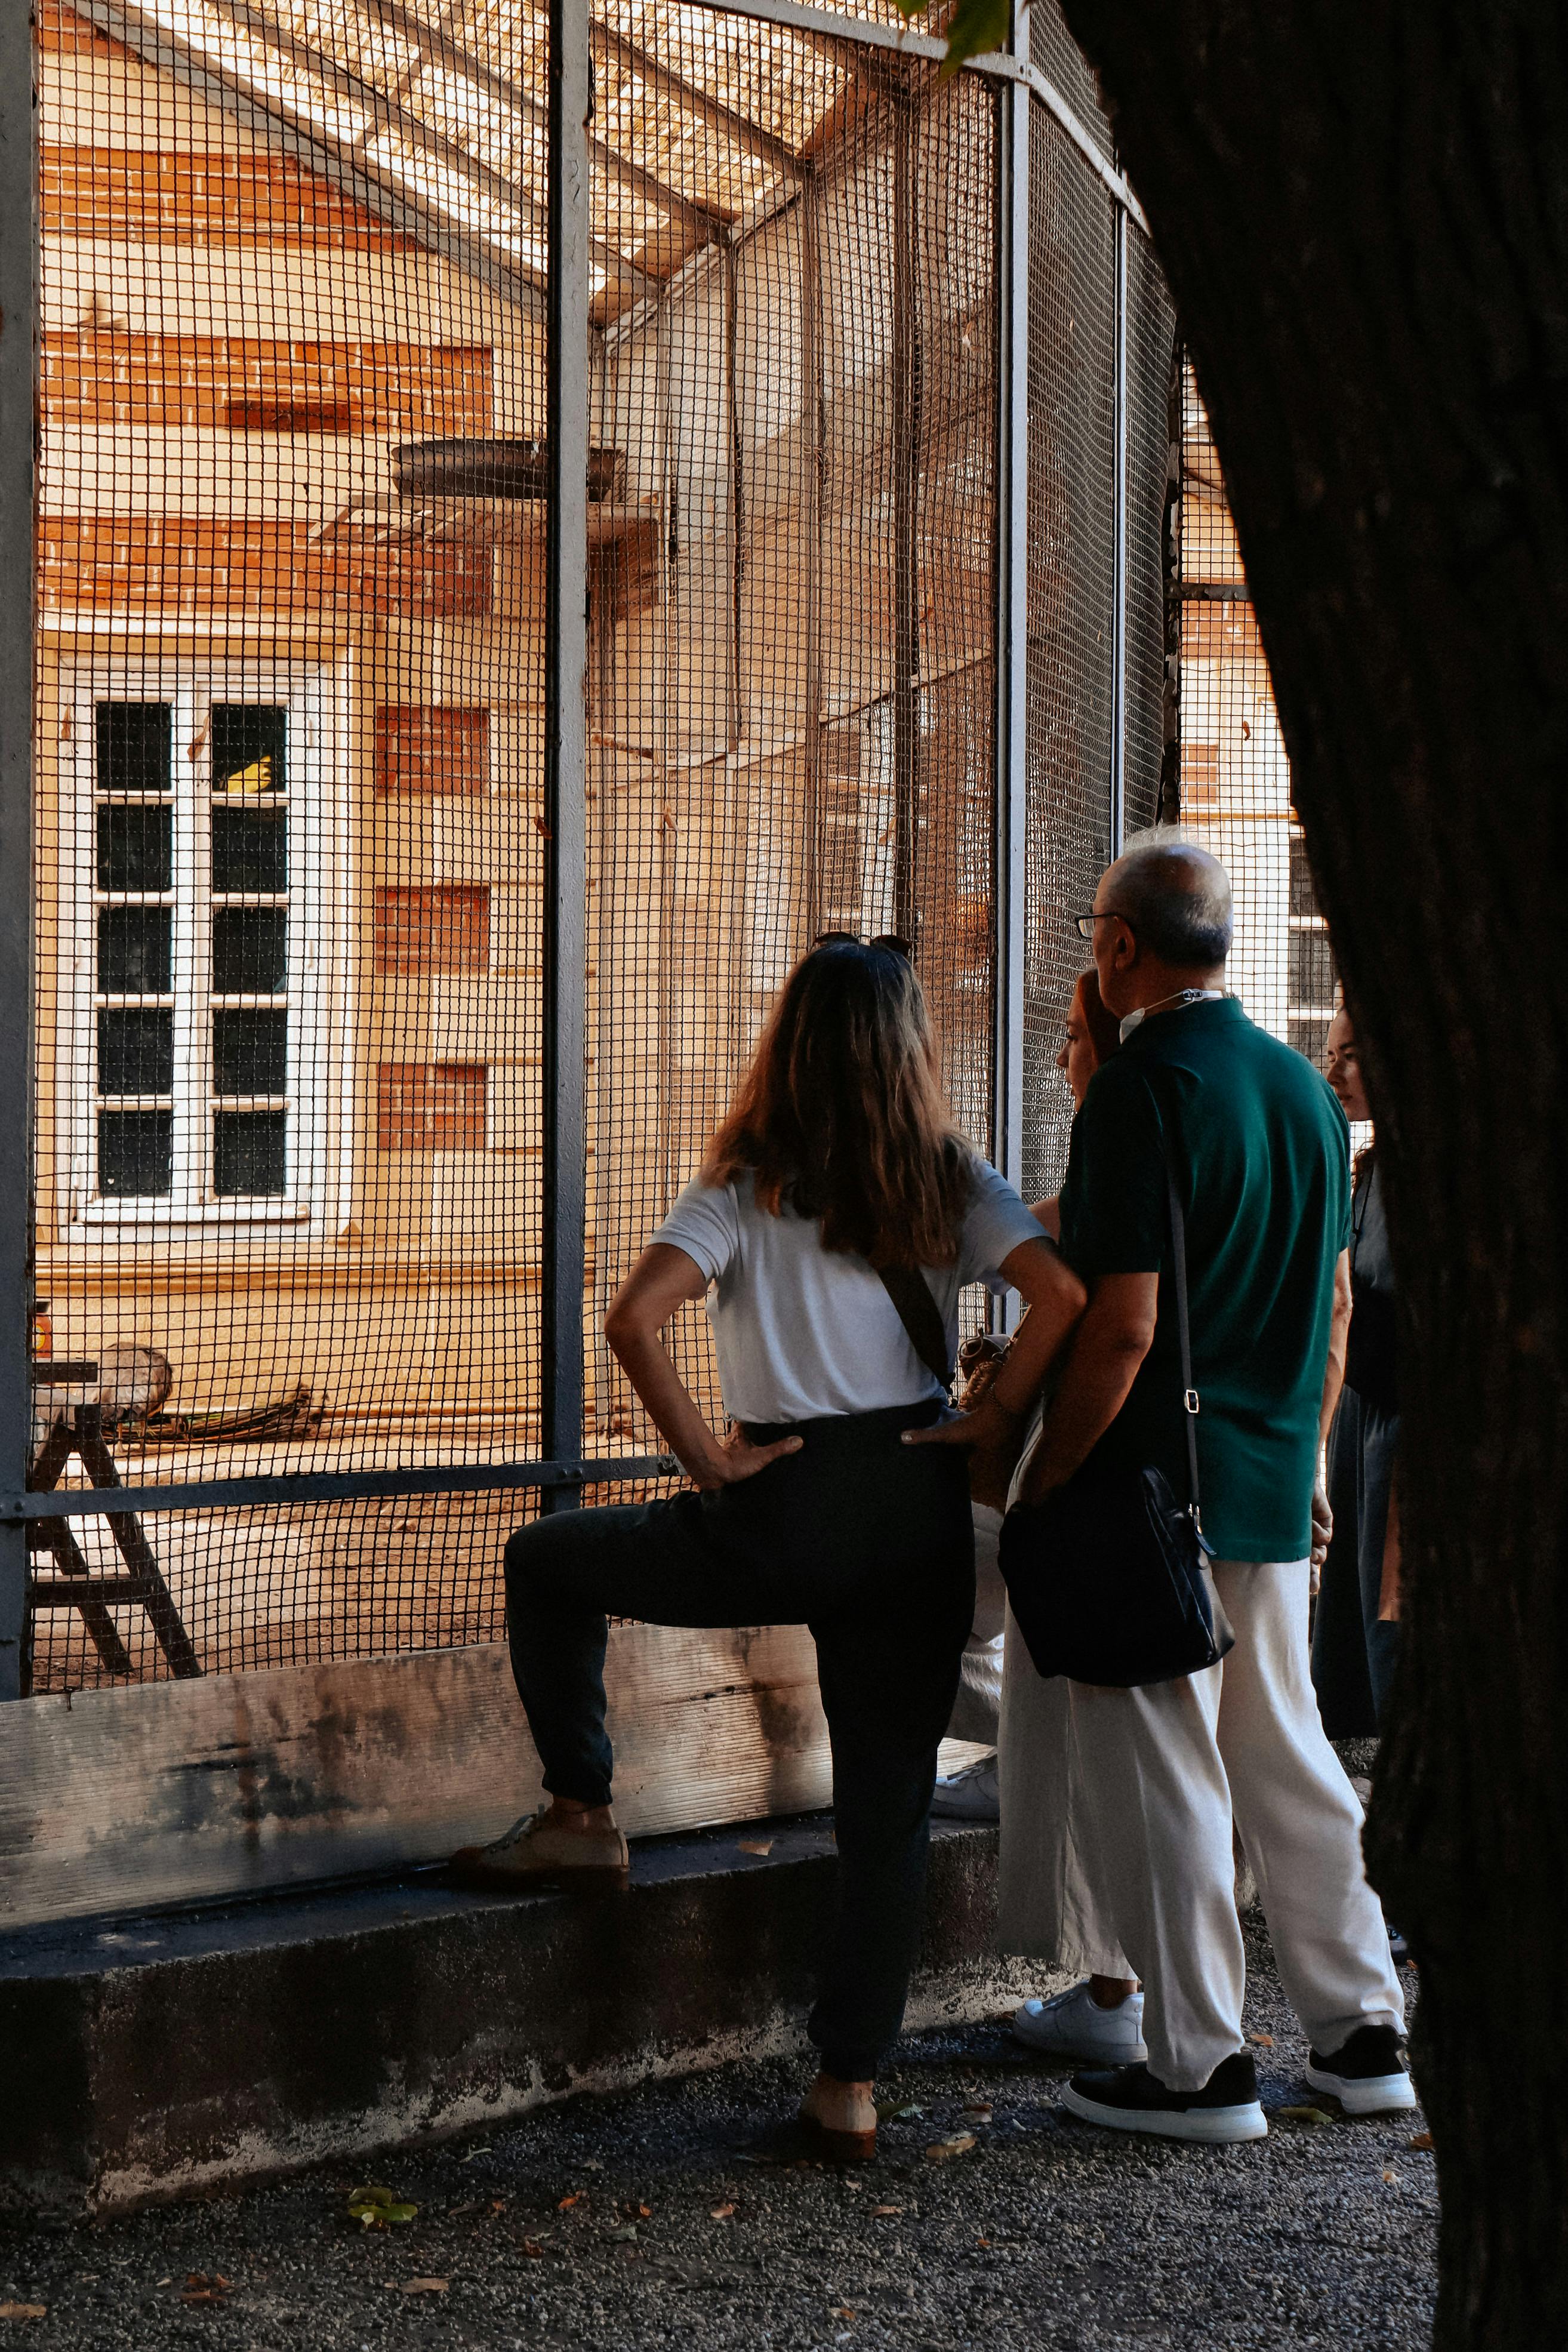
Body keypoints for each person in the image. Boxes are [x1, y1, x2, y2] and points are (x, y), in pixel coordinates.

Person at [452, 935, 1086, 2162]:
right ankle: (846, 2086)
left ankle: (582, 1808)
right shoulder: (949, 1178)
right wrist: (989, 1417)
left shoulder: (745, 1187)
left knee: (548, 1559)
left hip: (779, 1503)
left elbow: (631, 1317)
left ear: (785, 1042)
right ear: (908, 1051)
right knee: (886, 1810)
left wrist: (706, 1461)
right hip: (910, 1501)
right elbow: (1054, 1296)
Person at [911, 833, 1410, 2144]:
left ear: (1119, 944)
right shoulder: (1302, 1092)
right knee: (1286, 1753)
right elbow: (1325, 1303)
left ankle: (1197, 2064)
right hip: (1261, 1481)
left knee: (1171, 1768)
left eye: (1091, 928)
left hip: (1151, 1489)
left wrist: (1046, 1475)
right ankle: (1362, 2034)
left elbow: (1119, 1327)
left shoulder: (1139, 1094)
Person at [931, 972, 1123, 1825]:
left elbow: (1089, 1305)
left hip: (1080, 1449)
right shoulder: (1117, 1144)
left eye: (1075, 1037)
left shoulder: (1126, 1131)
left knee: (967, 1588)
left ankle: (1035, 1760)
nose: (1058, 1056)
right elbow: (1055, 1230)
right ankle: (1030, 1758)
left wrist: (1009, 1417)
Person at [1312, 1002, 1403, 1734]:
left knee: (1386, 1611)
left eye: (1350, 1055)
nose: (1332, 1070)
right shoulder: (1369, 1166)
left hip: (1396, 1429)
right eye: (1330, 1052)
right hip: (1362, 1420)